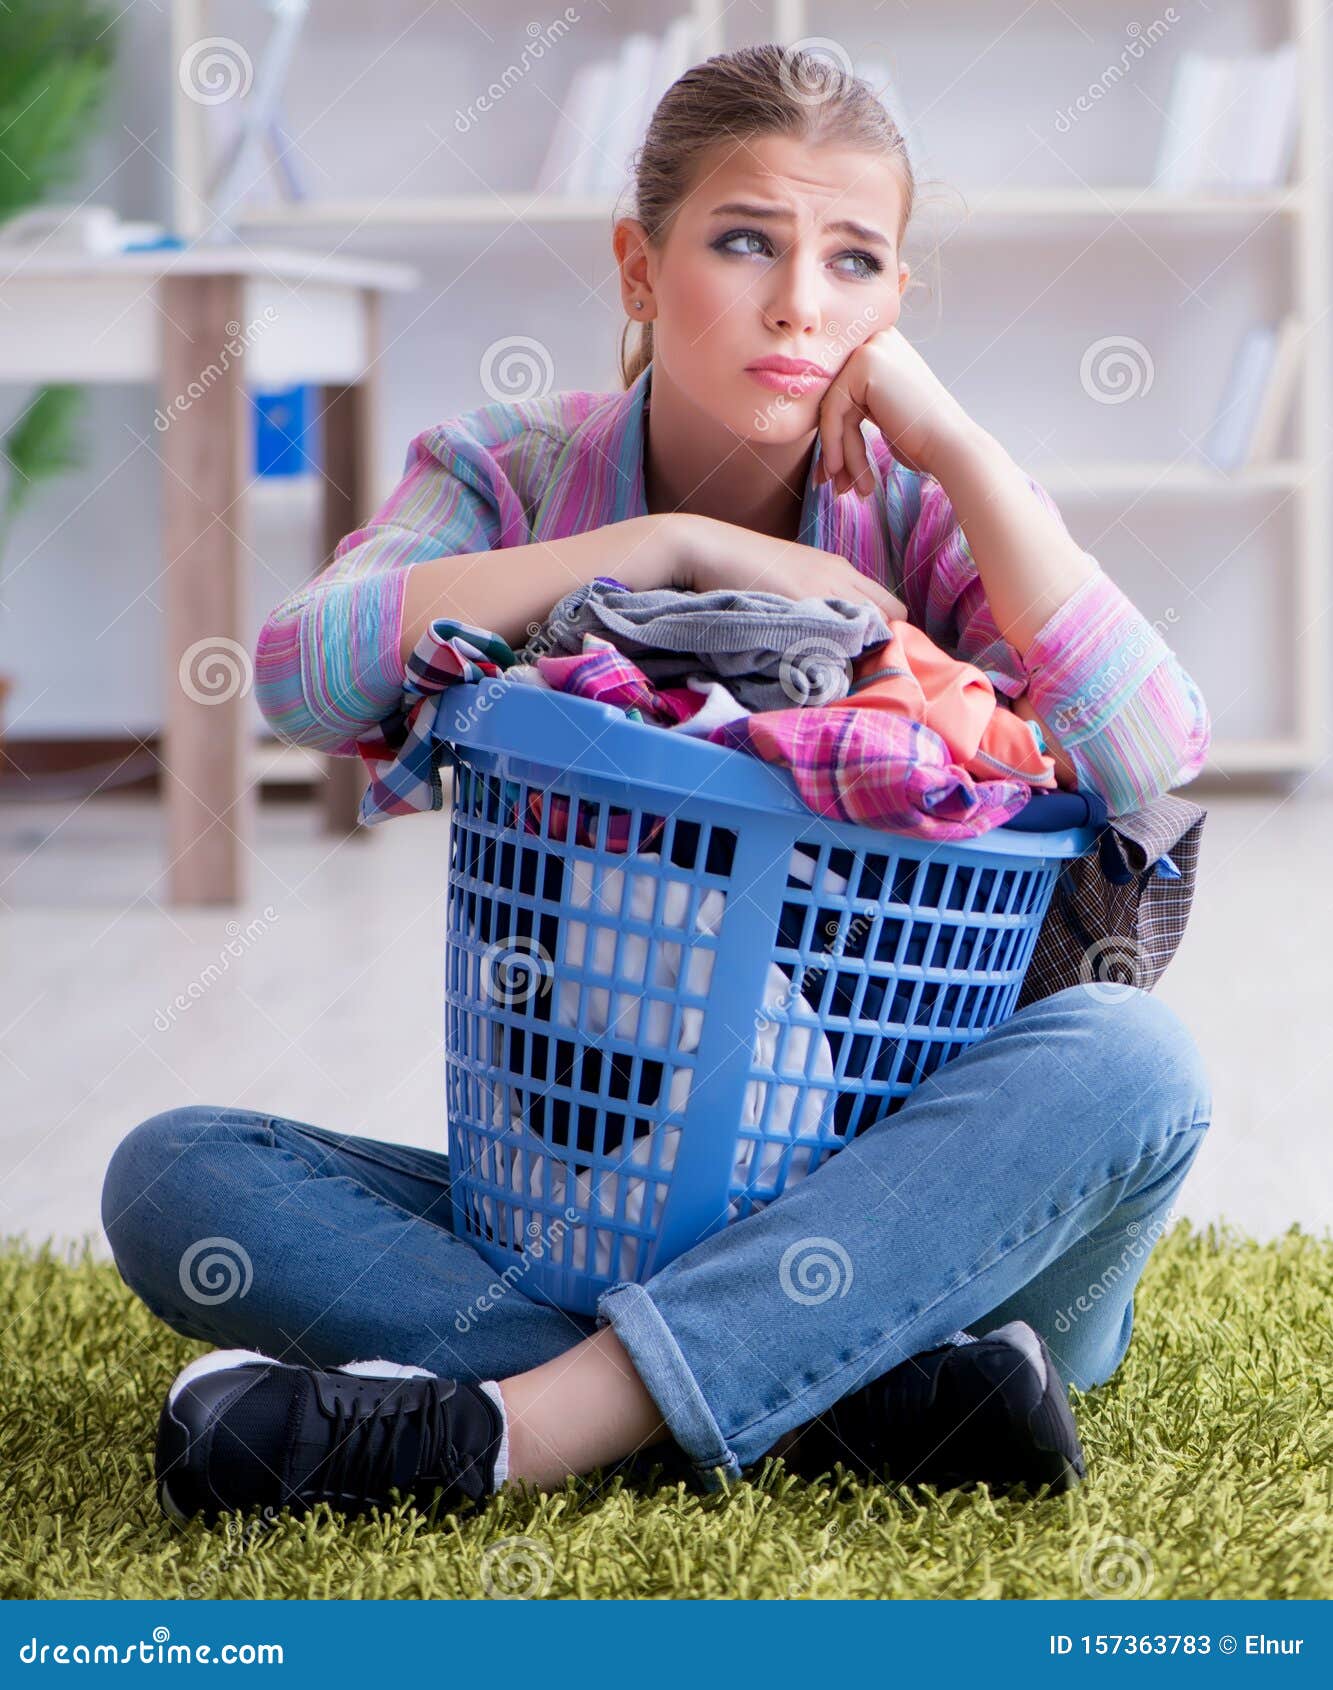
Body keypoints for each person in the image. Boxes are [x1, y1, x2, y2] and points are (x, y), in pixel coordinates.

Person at [101, 44, 1213, 1526]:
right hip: (614, 1191)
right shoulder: (510, 471)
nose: (797, 302)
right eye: (744, 240)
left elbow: (1149, 748)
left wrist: (956, 444)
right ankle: (864, 1394)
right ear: (639, 265)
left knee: (1134, 1063)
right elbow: (304, 670)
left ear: (895, 308)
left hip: (928, 1201)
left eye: (854, 261)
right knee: (177, 1177)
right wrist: (666, 556)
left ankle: (504, 1431)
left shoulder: (922, 515)